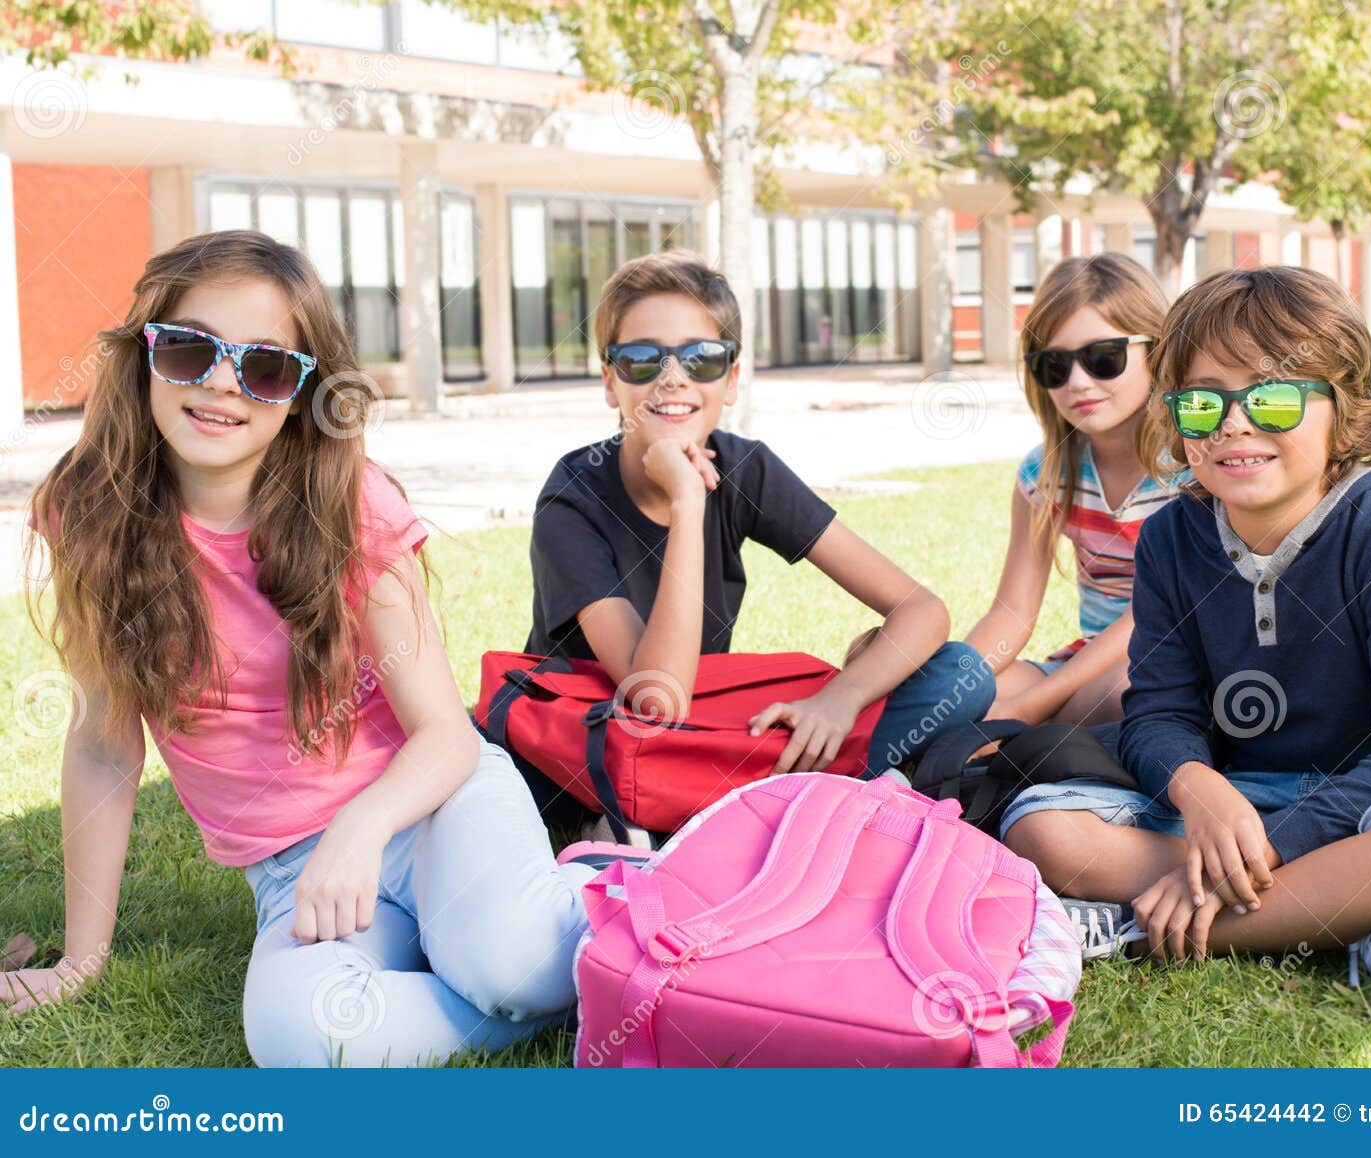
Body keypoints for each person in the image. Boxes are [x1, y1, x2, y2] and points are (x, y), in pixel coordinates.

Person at [1, 230, 596, 1065]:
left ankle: (593, 895)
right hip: (294, 873)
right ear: (143, 354)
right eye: (187, 349)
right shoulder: (86, 510)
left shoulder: (353, 507)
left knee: (515, 966)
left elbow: (446, 734)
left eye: (267, 366)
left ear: (303, 393)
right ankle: (513, 969)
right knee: (301, 1037)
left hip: (431, 807)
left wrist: (361, 825)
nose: (220, 383)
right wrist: (81, 959)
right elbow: (104, 745)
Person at [1001, 266, 1371, 998]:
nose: (1234, 424)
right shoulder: (1172, 539)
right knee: (1041, 829)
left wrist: (1269, 845)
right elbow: (1159, 713)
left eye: (1272, 398)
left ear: (1342, 408)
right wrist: (1198, 788)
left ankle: (1147, 928)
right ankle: (1347, 918)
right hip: (1239, 794)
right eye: (1203, 403)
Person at [527, 250, 994, 818]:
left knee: (960, 675)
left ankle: (737, 800)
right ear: (609, 382)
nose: (672, 378)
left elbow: (920, 608)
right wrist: (687, 504)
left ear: (731, 380)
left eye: (701, 359)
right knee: (593, 760)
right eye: (642, 360)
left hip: (714, 725)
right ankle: (778, 795)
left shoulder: (746, 469)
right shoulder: (570, 501)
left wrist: (839, 702)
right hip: (609, 732)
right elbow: (655, 696)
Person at [966, 254, 1183, 727]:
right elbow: (1013, 613)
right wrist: (945, 685)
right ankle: (1034, 737)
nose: (1078, 383)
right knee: (971, 695)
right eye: (1054, 366)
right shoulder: (1043, 475)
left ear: (1159, 351)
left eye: (1104, 357)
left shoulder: (1194, 468)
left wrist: (1031, 707)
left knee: (1124, 692)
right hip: (1085, 666)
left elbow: (1147, 619)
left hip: (1173, 667)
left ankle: (1033, 739)